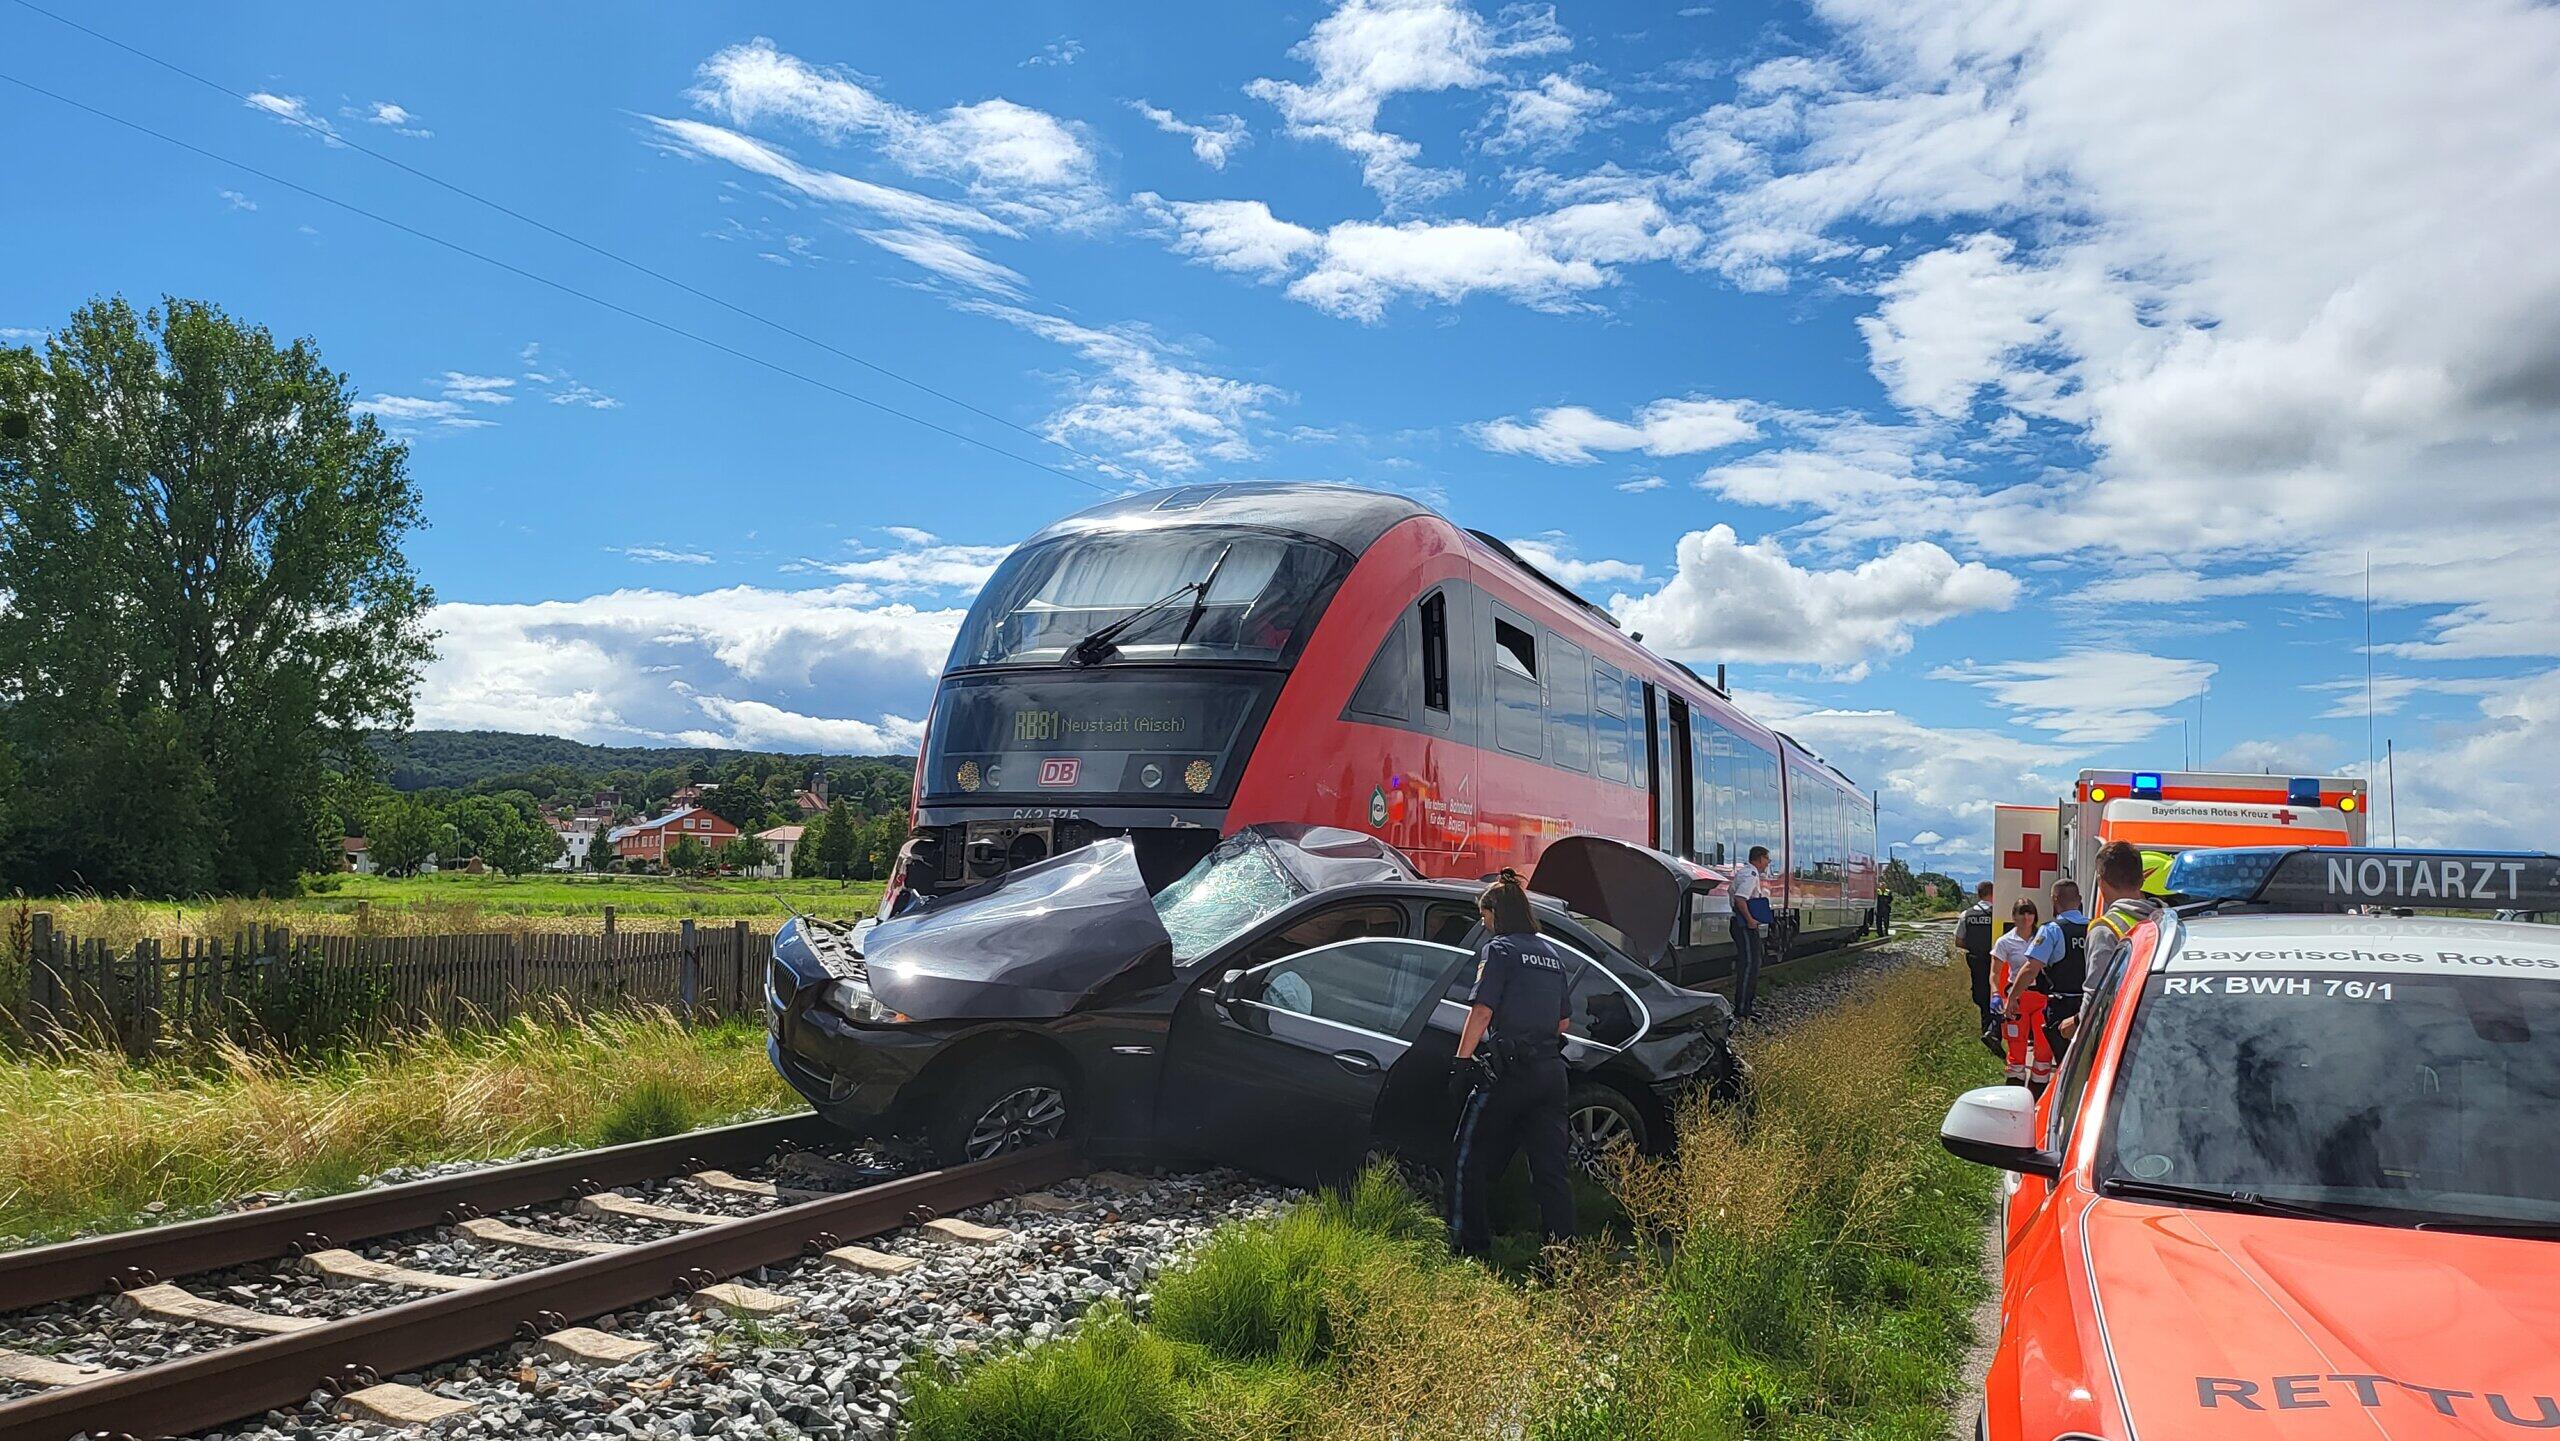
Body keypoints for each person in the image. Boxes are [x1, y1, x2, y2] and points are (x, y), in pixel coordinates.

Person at [1448, 869, 1577, 1259]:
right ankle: (1563, 1259)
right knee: (1551, 1172)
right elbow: (1563, 1023)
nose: (1483, 924)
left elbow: (1483, 1011)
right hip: (1551, 1076)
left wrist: (1461, 1062)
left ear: (1496, 914)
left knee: (1467, 1155)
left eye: (1484, 916)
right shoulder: (1552, 955)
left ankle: (1470, 1247)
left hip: (1509, 1074)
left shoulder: (1500, 950)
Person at [2069, 841, 2162, 1032]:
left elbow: (2096, 997)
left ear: (2101, 881)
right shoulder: (2168, 920)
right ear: (2142, 879)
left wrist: (2078, 1033)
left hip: (2122, 1035)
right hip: (2160, 1030)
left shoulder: (2105, 930)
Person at [2009, 879, 2089, 1066]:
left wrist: (2013, 997)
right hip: (2091, 1005)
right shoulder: (2096, 927)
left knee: (2065, 1065)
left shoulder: (2052, 930)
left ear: (2054, 900)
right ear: (2079, 900)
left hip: (2063, 1008)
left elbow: (2030, 968)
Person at [1991, 899, 2050, 1088]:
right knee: (2016, 1047)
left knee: (2043, 1048)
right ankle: (2014, 1093)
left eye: (2030, 913)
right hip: (2017, 1000)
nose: (2026, 918)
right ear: (2013, 917)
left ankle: (2037, 1094)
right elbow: (1994, 973)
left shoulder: (2045, 938)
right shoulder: (2005, 942)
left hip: (2041, 997)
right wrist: (1995, 994)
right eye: (2022, 914)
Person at [1727, 845, 1774, 1020]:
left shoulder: (1746, 873)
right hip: (1744, 926)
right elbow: (1740, 898)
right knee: (1749, 965)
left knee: (1753, 962)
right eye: (1767, 859)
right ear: (1760, 858)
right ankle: (1742, 1008)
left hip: (1742, 924)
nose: (1768, 863)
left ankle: (1746, 1005)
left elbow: (1731, 892)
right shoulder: (1750, 875)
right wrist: (1750, 920)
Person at [1957, 880, 1998, 1035]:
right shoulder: (2000, 914)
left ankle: (1986, 1030)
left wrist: (1975, 947)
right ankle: (1995, 1029)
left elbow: (1959, 941)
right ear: (1993, 893)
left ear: (1978, 894)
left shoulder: (1966, 915)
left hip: (1975, 960)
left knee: (1980, 995)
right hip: (1997, 961)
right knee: (1996, 992)